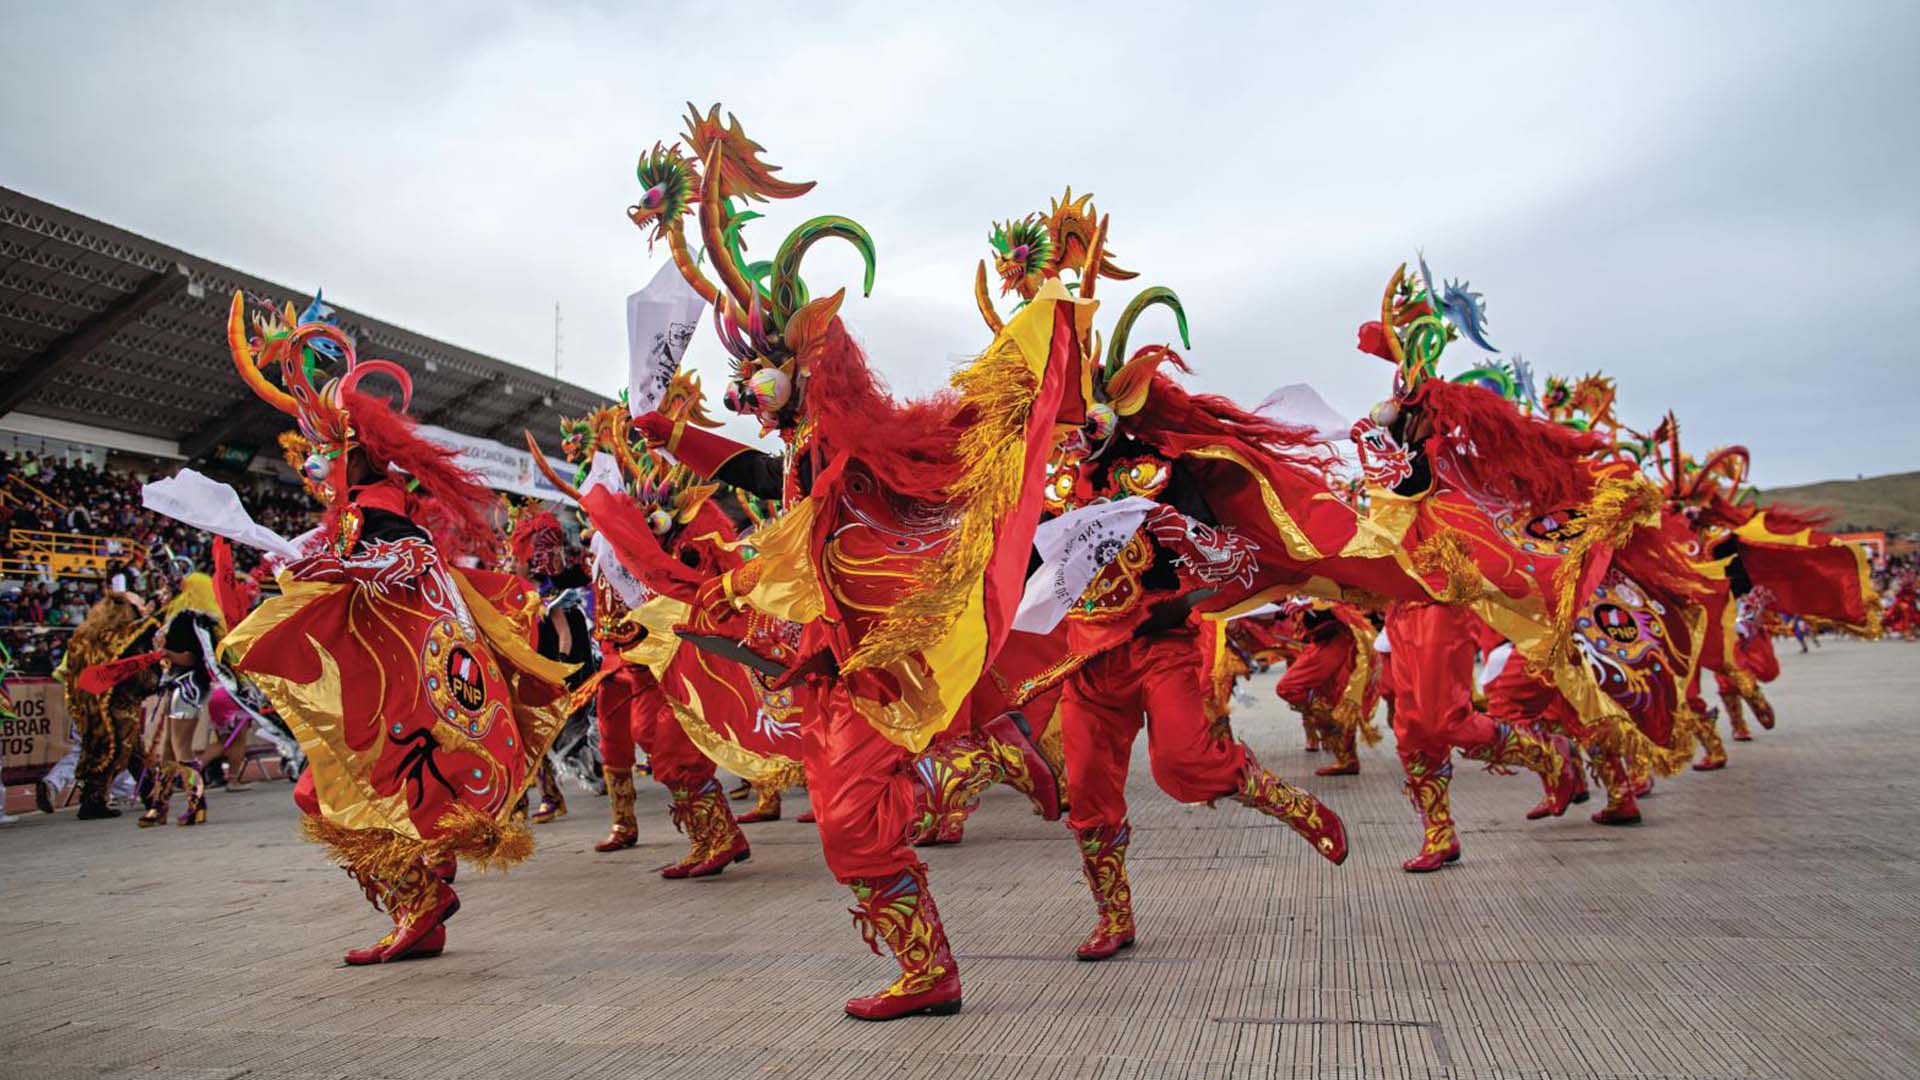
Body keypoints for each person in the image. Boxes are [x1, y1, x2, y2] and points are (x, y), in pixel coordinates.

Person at [212, 291, 573, 966]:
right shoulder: (355, 515)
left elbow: (409, 554)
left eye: (319, 456)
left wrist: (342, 559)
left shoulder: (373, 506)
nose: (313, 470)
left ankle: (421, 902)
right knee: (332, 794)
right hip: (385, 695)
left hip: (396, 701)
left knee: (325, 796)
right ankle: (422, 899)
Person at [59, 590, 159, 820]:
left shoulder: (89, 635)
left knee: (131, 752)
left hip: (94, 702)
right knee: (115, 752)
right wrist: (153, 681)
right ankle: (93, 801)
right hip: (120, 702)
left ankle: (151, 794)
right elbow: (134, 672)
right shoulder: (124, 639)